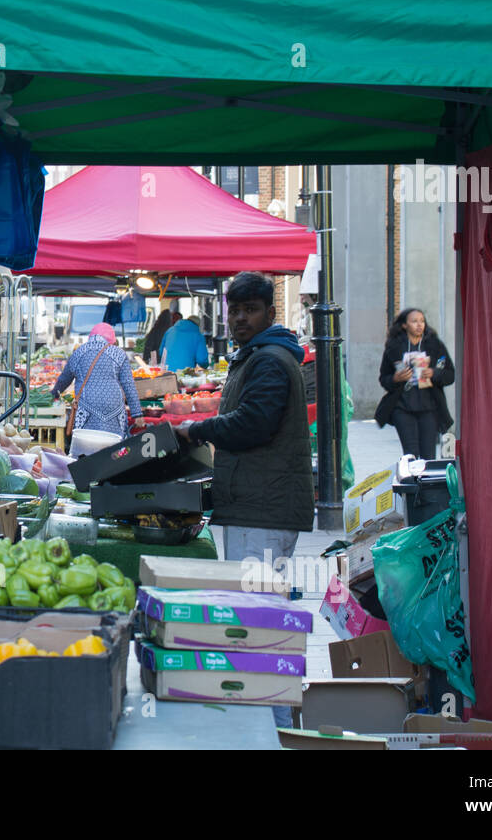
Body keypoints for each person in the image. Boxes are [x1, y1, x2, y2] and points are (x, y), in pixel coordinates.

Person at [175, 272, 312, 729]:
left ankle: (274, 727)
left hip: (264, 510)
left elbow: (252, 424)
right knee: (251, 621)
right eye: (233, 310)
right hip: (250, 504)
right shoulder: (254, 358)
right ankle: (264, 723)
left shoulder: (270, 361)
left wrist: (195, 430)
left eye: (249, 310)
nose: (238, 319)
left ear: (270, 313)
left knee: (258, 624)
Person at [374, 308, 455, 460]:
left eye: (422, 321)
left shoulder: (435, 345)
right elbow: (383, 378)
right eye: (414, 321)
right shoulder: (394, 347)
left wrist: (434, 373)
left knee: (428, 455)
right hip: (402, 407)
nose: (419, 325)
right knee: (410, 454)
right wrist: (395, 378)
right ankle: (412, 483)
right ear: (404, 325)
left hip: (429, 407)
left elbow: (450, 374)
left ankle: (426, 483)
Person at [52, 322, 145, 438]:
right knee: (113, 445)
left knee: (86, 443)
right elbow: (128, 384)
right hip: (114, 409)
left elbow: (64, 380)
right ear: (111, 339)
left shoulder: (78, 353)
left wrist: (53, 395)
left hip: (86, 409)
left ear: (91, 336)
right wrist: (137, 413)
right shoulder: (119, 354)